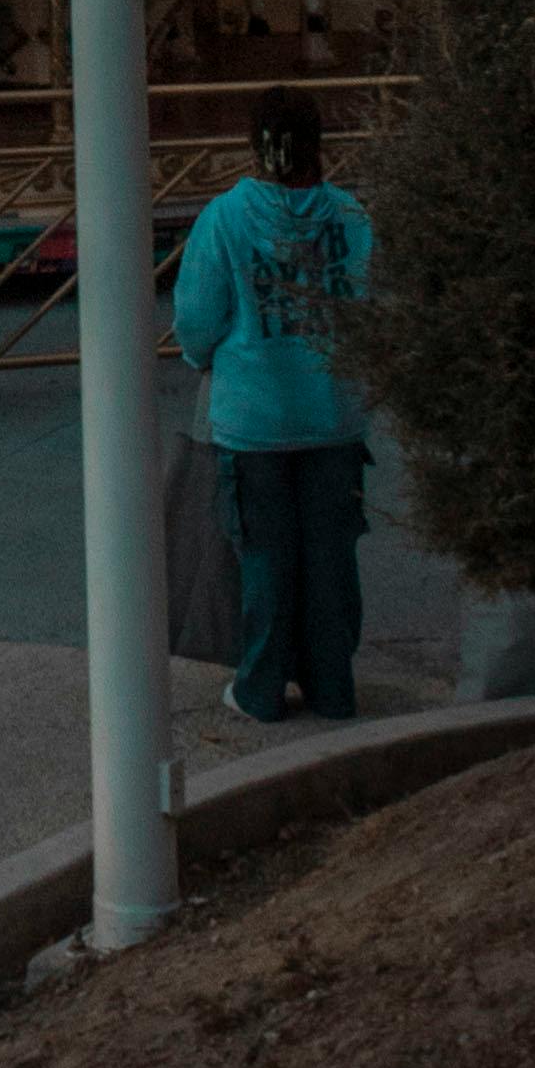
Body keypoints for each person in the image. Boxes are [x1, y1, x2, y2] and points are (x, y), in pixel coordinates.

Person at [172, 92, 376, 722]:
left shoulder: (225, 218)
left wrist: (211, 354)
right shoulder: (352, 218)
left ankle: (260, 691)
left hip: (253, 424)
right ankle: (332, 688)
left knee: (264, 561)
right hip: (335, 417)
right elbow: (375, 310)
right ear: (319, 146)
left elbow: (195, 323)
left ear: (256, 146)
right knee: (330, 562)